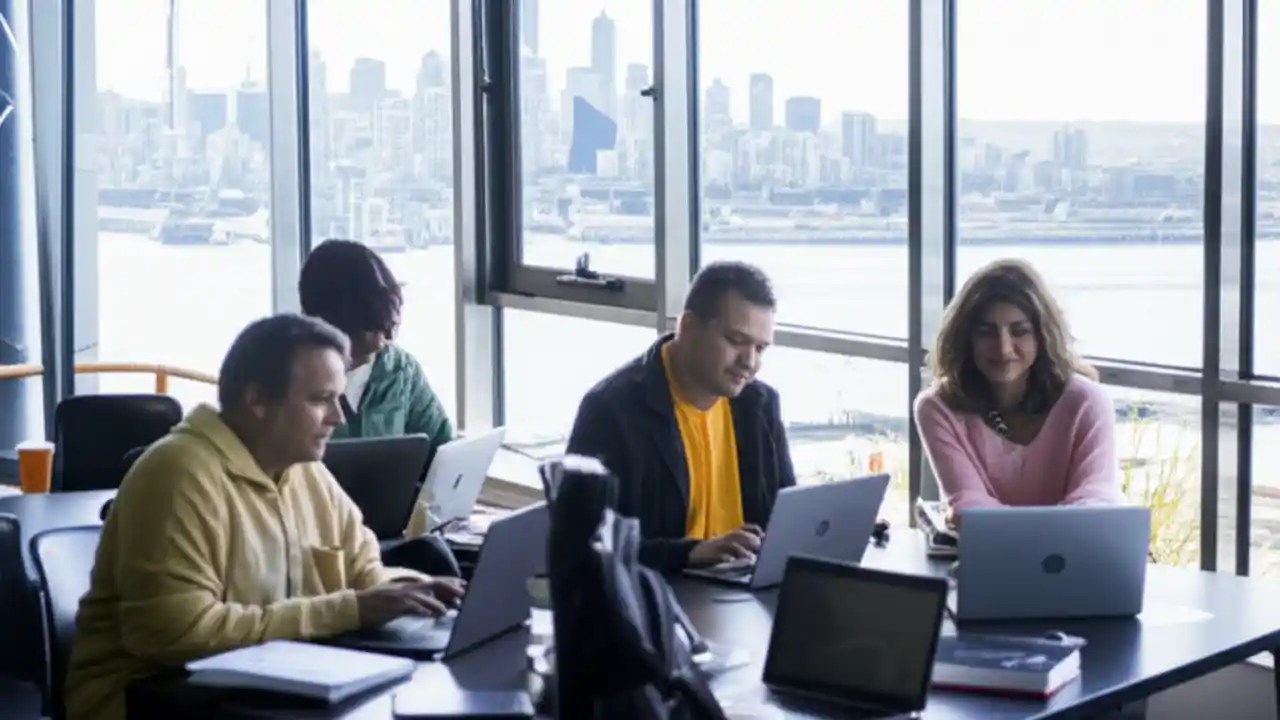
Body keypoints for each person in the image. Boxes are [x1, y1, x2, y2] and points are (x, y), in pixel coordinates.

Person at [65, 314, 466, 720]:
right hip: (148, 700)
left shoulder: (306, 471)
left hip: (259, 694)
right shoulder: (177, 472)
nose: (338, 417)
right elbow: (172, 634)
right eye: (320, 399)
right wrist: (352, 608)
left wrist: (416, 590)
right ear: (257, 400)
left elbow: (363, 575)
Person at [567, 261, 796, 572]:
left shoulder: (760, 404)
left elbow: (786, 515)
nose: (750, 362)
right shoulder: (612, 410)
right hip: (661, 599)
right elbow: (582, 544)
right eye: (737, 341)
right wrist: (689, 553)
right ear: (687, 327)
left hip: (743, 590)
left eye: (761, 348)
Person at [914, 258, 1124, 513]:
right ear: (965, 338)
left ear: (1042, 335)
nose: (1003, 348)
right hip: (987, 552)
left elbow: (1096, 501)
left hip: (1076, 552)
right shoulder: (938, 407)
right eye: (986, 332)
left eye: (1019, 331)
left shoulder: (1087, 402)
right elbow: (969, 506)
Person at [298, 238, 454, 457]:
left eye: (390, 324)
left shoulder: (401, 370)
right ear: (333, 321)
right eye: (374, 327)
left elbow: (442, 449)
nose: (387, 338)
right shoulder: (285, 382)